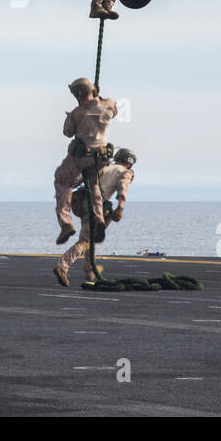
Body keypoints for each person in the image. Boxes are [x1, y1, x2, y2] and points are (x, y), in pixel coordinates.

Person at [52, 78, 120, 244]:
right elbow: (115, 110)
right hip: (101, 158)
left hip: (81, 157)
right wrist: (98, 96)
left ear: (78, 95)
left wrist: (70, 116)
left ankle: (65, 222)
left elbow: (67, 132)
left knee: (62, 181)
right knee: (93, 186)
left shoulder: (78, 113)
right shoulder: (108, 104)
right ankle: (99, 219)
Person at [54, 148, 136, 286]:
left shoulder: (104, 165)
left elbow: (79, 179)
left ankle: (89, 270)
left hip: (83, 201)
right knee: (86, 240)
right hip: (97, 206)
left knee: (91, 238)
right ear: (129, 163)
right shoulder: (126, 172)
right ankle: (63, 265)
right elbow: (123, 186)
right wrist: (120, 207)